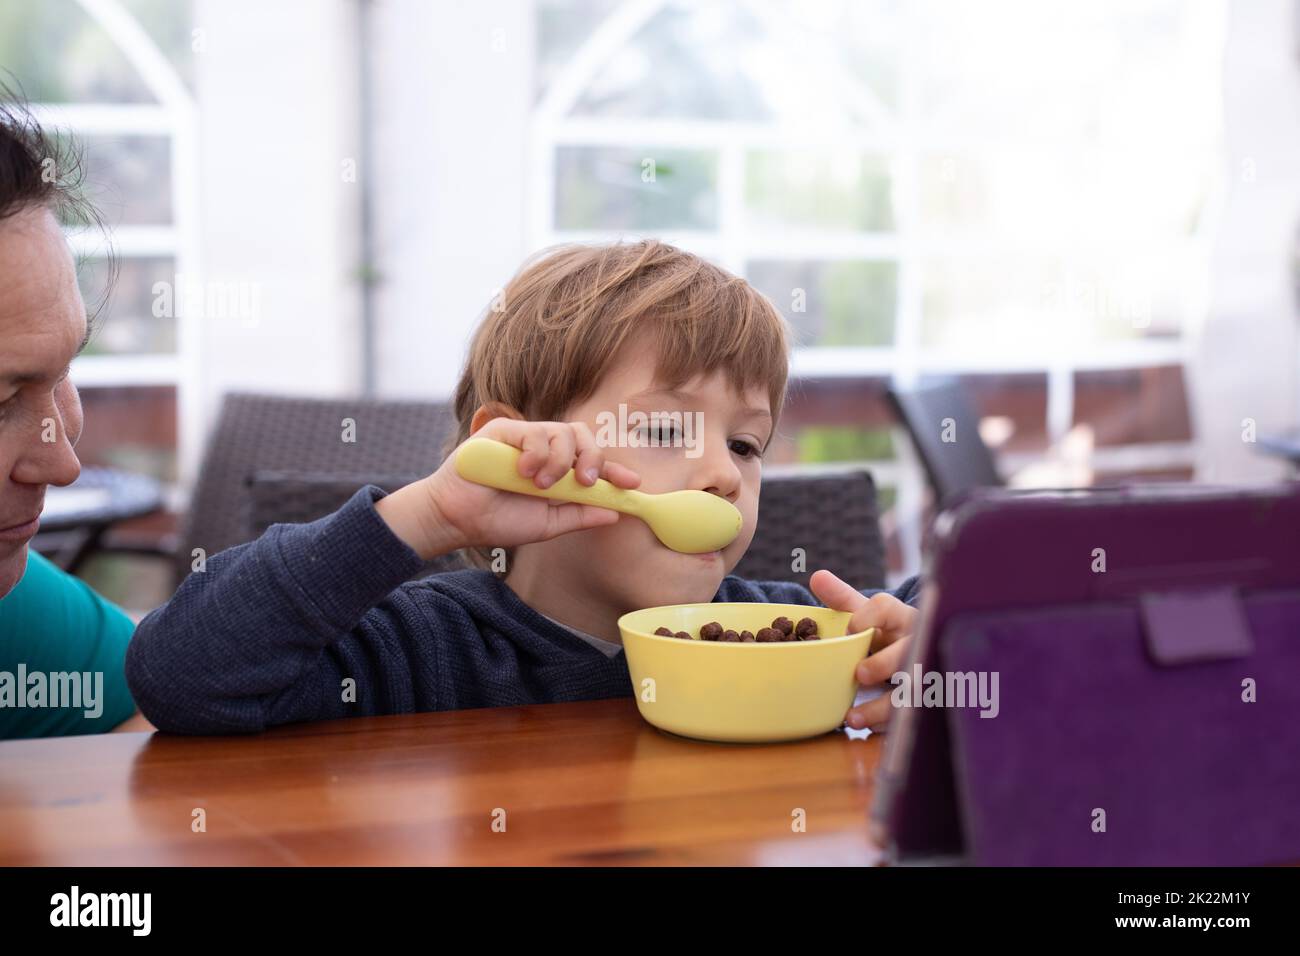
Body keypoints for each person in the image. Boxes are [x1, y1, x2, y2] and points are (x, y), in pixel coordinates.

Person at [126, 241, 920, 735]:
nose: (723, 473)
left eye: (746, 444)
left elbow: (975, 658)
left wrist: (923, 658)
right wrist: (427, 512)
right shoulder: (422, 649)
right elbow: (178, 674)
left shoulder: (784, 639)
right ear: (517, 450)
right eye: (667, 430)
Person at [0, 87, 149, 737]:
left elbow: (152, 708)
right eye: (1, 402)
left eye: (64, 372)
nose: (64, 465)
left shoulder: (17, 618)